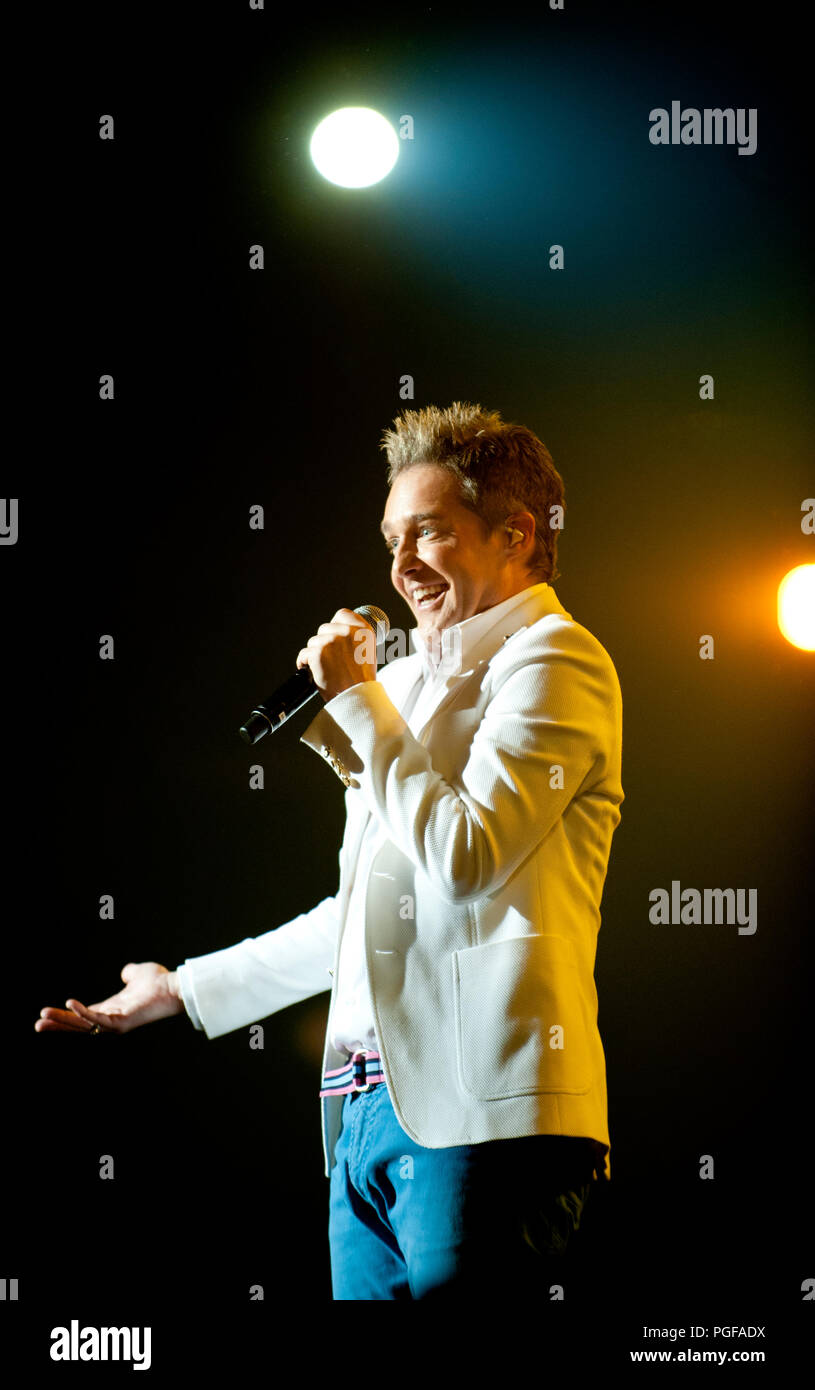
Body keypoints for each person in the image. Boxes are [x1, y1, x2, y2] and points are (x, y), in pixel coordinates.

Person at [36, 401, 624, 1301]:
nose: (398, 567)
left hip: (486, 1118)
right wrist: (183, 989)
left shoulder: (554, 660)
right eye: (391, 539)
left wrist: (355, 703)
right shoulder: (402, 685)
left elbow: (467, 857)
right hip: (358, 1113)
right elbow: (361, 917)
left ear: (514, 532)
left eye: (428, 533)